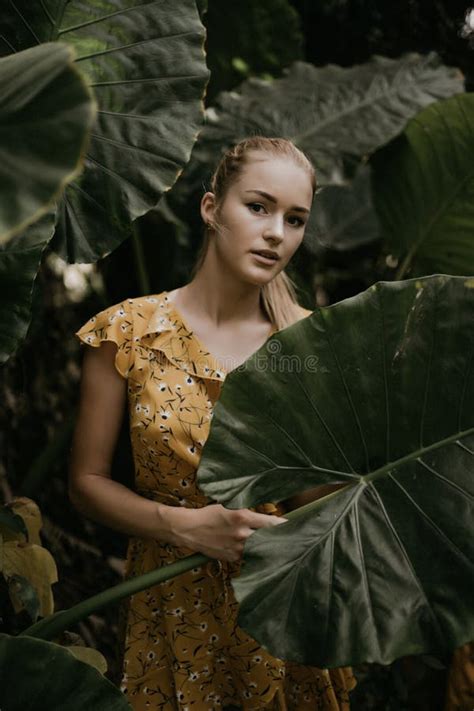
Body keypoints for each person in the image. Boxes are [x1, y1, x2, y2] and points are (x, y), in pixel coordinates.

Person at [69, 136, 356, 710]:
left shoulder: (310, 341)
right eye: (259, 207)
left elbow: (318, 499)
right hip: (168, 600)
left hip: (279, 603)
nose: (277, 232)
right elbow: (86, 483)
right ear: (209, 208)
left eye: (295, 219)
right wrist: (181, 526)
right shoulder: (126, 330)